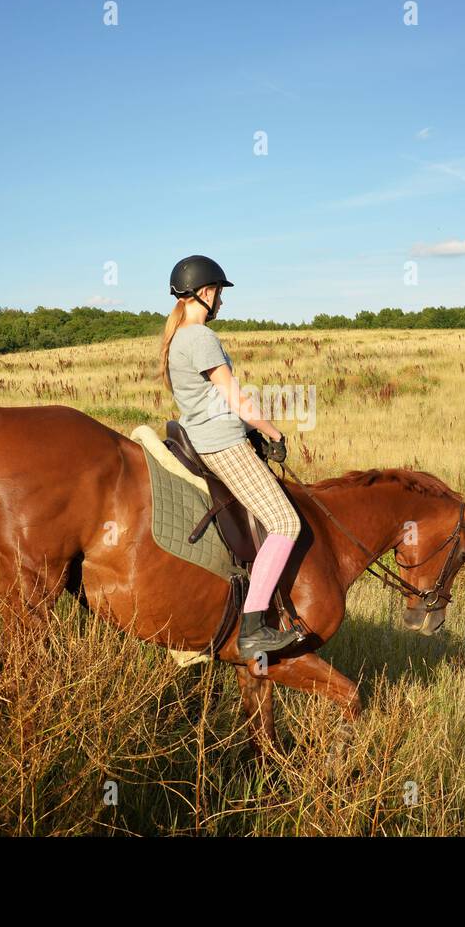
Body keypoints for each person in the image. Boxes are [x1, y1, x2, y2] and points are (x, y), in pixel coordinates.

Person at [158, 254, 301, 657]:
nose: (221, 301)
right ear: (204, 293)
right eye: (218, 293)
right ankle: (254, 625)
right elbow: (234, 398)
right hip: (221, 443)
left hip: (203, 436)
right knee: (286, 523)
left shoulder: (176, 338)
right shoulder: (200, 337)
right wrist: (272, 432)